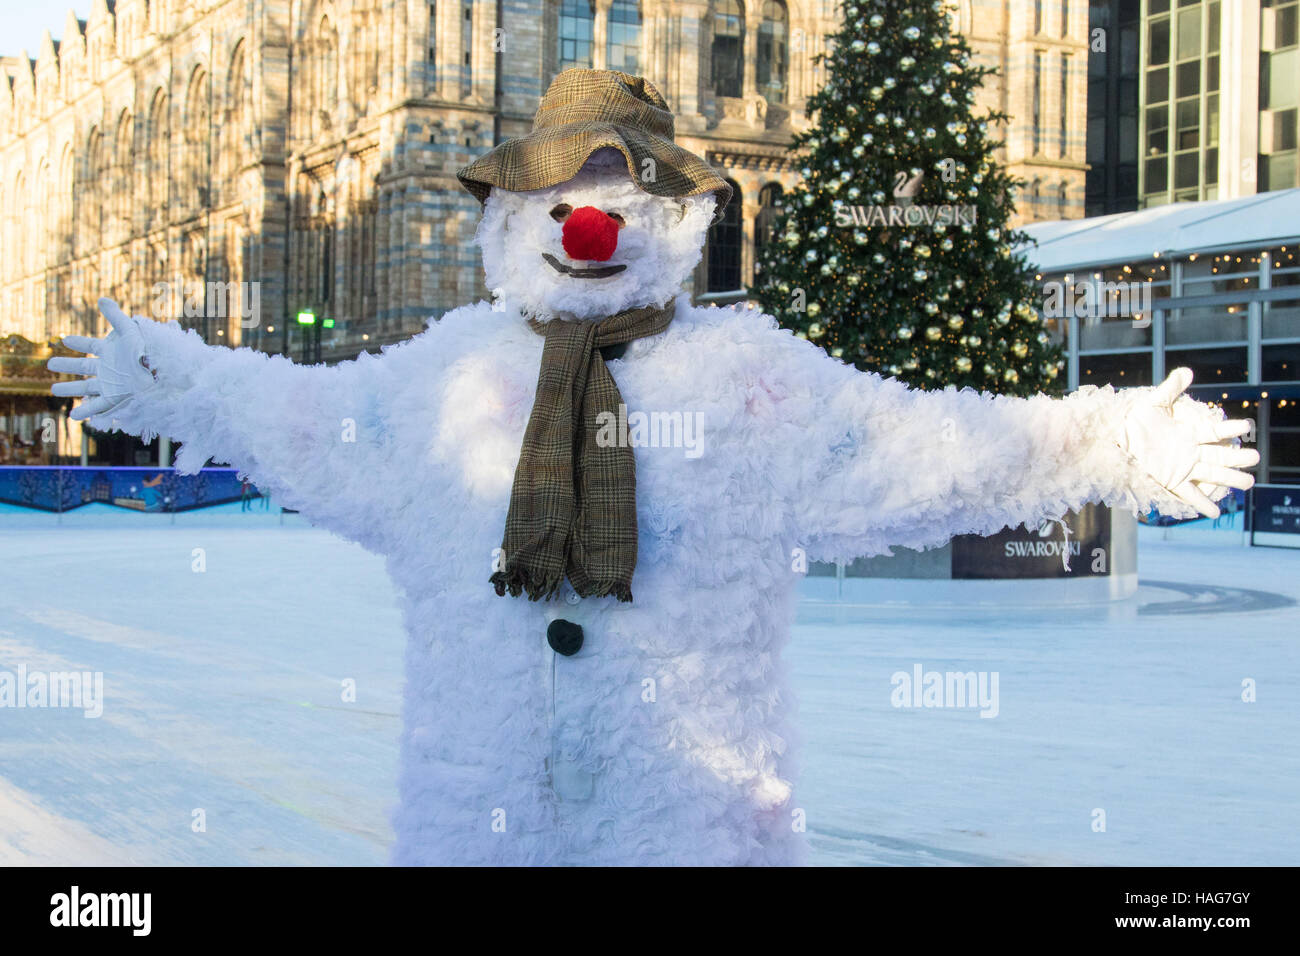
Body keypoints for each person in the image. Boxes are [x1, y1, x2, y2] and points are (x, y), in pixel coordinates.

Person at [49, 70, 1259, 866]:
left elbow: (921, 440)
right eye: (563, 199)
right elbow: (314, 422)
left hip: (689, 822)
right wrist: (184, 381)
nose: (591, 225)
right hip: (483, 811)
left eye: (622, 195)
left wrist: (1106, 437)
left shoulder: (748, 381)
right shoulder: (442, 378)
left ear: (676, 218)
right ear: (509, 224)